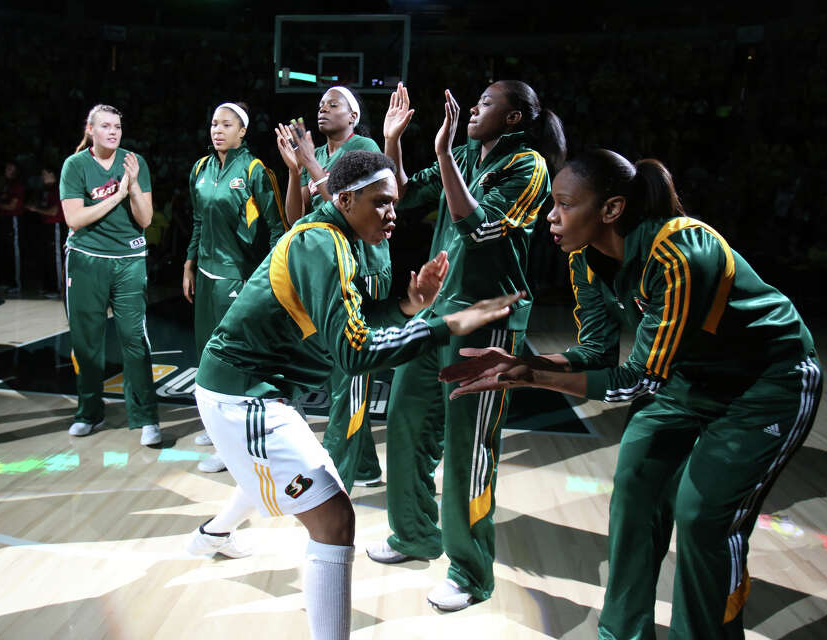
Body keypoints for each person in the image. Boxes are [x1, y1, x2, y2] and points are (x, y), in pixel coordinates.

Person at [439, 149, 823, 639]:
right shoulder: (583, 257)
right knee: (634, 497)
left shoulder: (680, 251)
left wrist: (534, 377)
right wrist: (526, 365)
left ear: (612, 209)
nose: (550, 216)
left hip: (766, 384)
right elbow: (597, 353)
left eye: (564, 204)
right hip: (683, 381)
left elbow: (638, 379)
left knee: (703, 517)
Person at [186, 150, 525, 640]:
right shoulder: (322, 244)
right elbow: (355, 352)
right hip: (242, 395)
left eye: (395, 203)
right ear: (345, 199)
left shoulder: (347, 238)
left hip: (260, 390)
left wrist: (409, 305)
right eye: (380, 202)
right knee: (334, 518)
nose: (392, 213)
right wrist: (442, 325)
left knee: (277, 469)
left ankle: (213, 533)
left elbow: (360, 317)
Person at [365, 81, 566, 611]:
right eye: (476, 101)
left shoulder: (528, 167)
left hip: (488, 322)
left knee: (468, 449)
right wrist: (393, 141)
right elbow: (401, 193)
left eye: (487, 102)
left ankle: (470, 572)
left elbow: (478, 230)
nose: (475, 107)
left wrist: (444, 156)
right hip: (437, 314)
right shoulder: (464, 156)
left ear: (515, 118)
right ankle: (414, 535)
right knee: (406, 424)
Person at [276, 86, 386, 489]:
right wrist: (295, 171)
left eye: (333, 104)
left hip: (364, 269)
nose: (323, 109)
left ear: (353, 116)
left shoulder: (364, 148)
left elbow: (347, 204)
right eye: (320, 104)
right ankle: (366, 467)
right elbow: (295, 218)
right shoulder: (317, 155)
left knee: (350, 374)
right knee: (337, 374)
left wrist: (308, 162)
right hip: (328, 270)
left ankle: (335, 478)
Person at [183, 102, 287, 472]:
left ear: (242, 131)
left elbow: (278, 228)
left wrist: (268, 281)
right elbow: (198, 221)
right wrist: (189, 263)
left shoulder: (256, 171)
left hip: (239, 276)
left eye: (226, 124)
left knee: (232, 362)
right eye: (214, 124)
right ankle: (216, 427)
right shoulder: (201, 168)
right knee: (206, 355)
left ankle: (234, 444)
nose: (218, 130)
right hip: (206, 273)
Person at [59, 104, 161, 447]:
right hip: (86, 260)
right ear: (91, 130)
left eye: (117, 126)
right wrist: (117, 195)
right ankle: (89, 412)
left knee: (134, 339)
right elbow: (75, 219)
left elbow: (145, 219)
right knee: (86, 343)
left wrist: (132, 188)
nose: (113, 132)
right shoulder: (75, 165)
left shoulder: (134, 162)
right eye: (105, 126)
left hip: (129, 260)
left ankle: (146, 417)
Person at [0, 161, 25, 294]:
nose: (7, 170)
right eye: (7, 168)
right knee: (5, 251)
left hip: (14, 220)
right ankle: (7, 281)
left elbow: (12, 206)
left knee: (14, 252)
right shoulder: (7, 185)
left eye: (10, 168)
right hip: (4, 221)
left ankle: (17, 283)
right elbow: (1, 197)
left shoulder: (17, 186)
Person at [26, 166, 64, 298]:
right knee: (47, 256)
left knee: (56, 257)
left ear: (52, 174)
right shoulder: (44, 190)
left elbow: (54, 211)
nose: (42, 177)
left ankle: (59, 288)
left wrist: (35, 209)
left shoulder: (57, 189)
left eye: (45, 174)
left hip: (56, 225)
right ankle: (50, 286)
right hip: (46, 225)